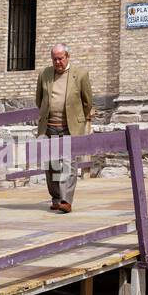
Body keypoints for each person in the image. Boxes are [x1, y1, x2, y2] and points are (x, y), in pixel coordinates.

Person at [35, 43, 93, 213]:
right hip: (50, 127)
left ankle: (66, 200)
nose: (57, 62)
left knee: (69, 163)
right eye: (54, 59)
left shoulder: (80, 74)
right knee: (51, 165)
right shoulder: (44, 74)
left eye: (60, 58)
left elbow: (87, 101)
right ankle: (56, 198)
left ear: (67, 56)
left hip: (70, 128)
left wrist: (78, 119)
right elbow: (39, 100)